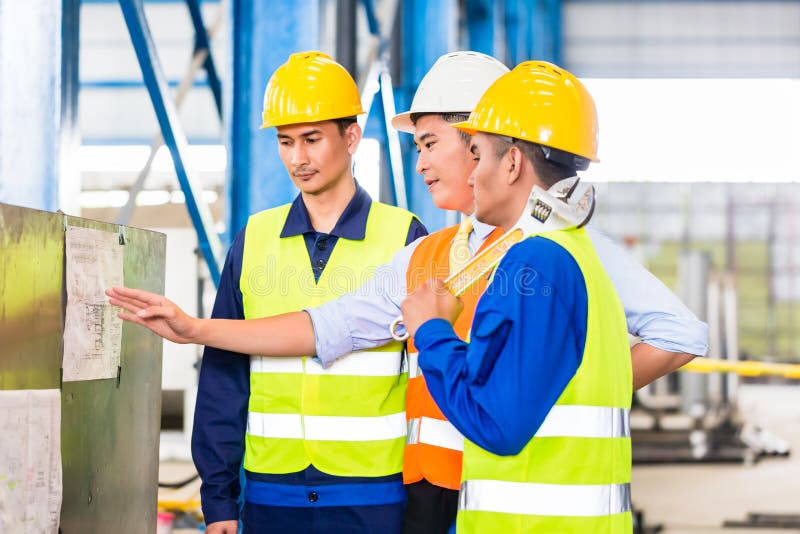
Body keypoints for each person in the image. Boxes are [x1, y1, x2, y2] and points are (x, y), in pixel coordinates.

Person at [108, 53, 707, 533]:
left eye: (431, 143)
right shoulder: (431, 254)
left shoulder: (563, 248)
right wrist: (196, 329)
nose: (420, 162)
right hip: (434, 494)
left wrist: (553, 392)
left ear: (491, 142)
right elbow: (327, 326)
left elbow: (681, 334)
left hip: (510, 489)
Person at [184, 51, 425, 534]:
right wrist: (219, 499)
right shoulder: (254, 238)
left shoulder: (404, 237)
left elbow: (427, 376)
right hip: (272, 492)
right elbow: (223, 372)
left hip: (374, 491)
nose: (298, 158)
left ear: (351, 137)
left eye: (312, 139)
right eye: (286, 141)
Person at [400, 60, 634, 533]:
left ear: (511, 163)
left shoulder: (534, 263)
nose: (471, 174)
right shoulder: (575, 252)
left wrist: (432, 330)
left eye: (479, 154)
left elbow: (497, 424)